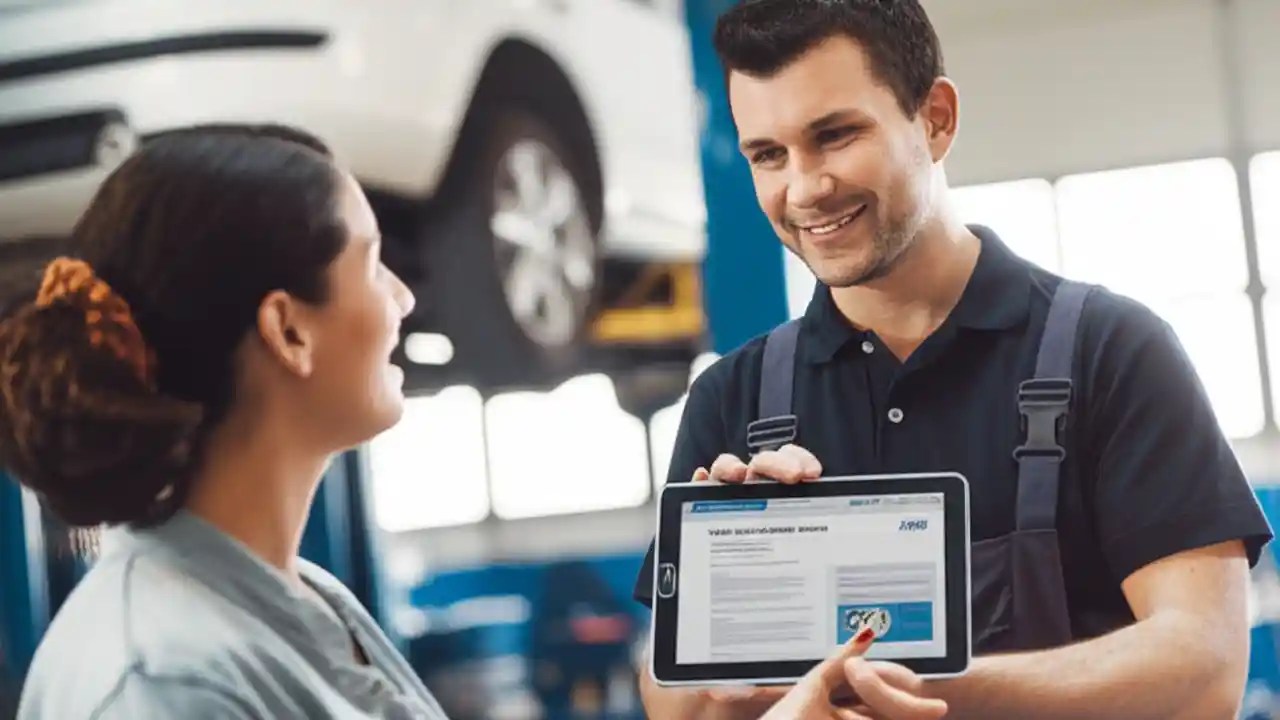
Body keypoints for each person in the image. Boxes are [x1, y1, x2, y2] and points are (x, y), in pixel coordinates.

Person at [634, 1, 1275, 719]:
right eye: (768, 155)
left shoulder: (1113, 352)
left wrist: (922, 692)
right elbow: (674, 706)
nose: (805, 187)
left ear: (935, 118)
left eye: (836, 135)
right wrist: (727, 594)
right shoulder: (734, 398)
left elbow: (1204, 669)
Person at [0, 125, 445, 718]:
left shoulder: (304, 596)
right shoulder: (163, 683)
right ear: (288, 332)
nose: (403, 298)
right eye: (372, 264)